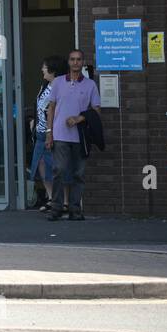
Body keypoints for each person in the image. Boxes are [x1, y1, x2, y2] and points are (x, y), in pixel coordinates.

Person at [46, 48, 100, 221]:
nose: (75, 62)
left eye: (78, 59)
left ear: (83, 62)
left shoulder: (90, 84)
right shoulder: (58, 82)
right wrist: (49, 133)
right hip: (60, 135)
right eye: (72, 59)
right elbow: (51, 108)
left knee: (79, 174)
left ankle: (75, 210)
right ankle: (56, 208)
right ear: (68, 62)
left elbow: (96, 110)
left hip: (81, 136)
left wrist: (79, 118)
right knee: (59, 171)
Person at [29, 55, 64, 211]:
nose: (42, 69)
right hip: (40, 132)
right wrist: (35, 122)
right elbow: (40, 107)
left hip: (52, 133)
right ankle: (50, 197)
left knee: (54, 166)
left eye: (45, 66)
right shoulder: (45, 85)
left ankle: (61, 200)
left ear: (53, 69)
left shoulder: (60, 86)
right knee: (40, 164)